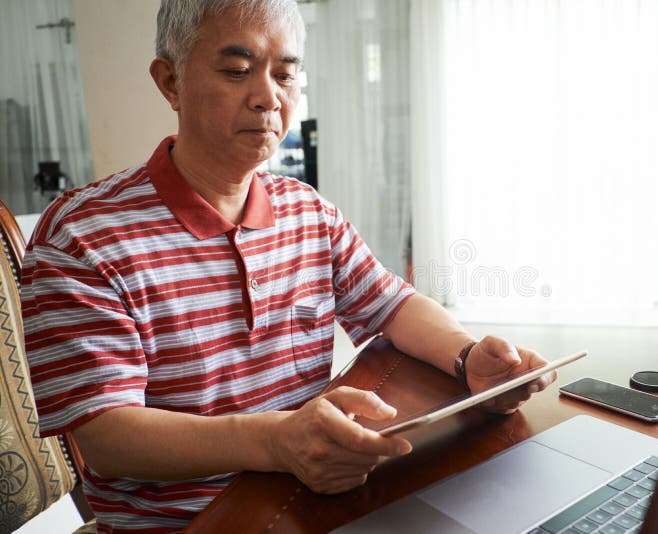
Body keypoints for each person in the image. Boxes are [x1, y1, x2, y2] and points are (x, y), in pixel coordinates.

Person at [21, 0, 557, 531]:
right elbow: (107, 437)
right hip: (189, 525)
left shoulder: (307, 211)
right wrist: (277, 441)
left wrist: (467, 358)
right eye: (237, 71)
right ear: (171, 82)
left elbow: (393, 304)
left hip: (317, 504)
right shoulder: (81, 236)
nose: (268, 98)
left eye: (285, 74)